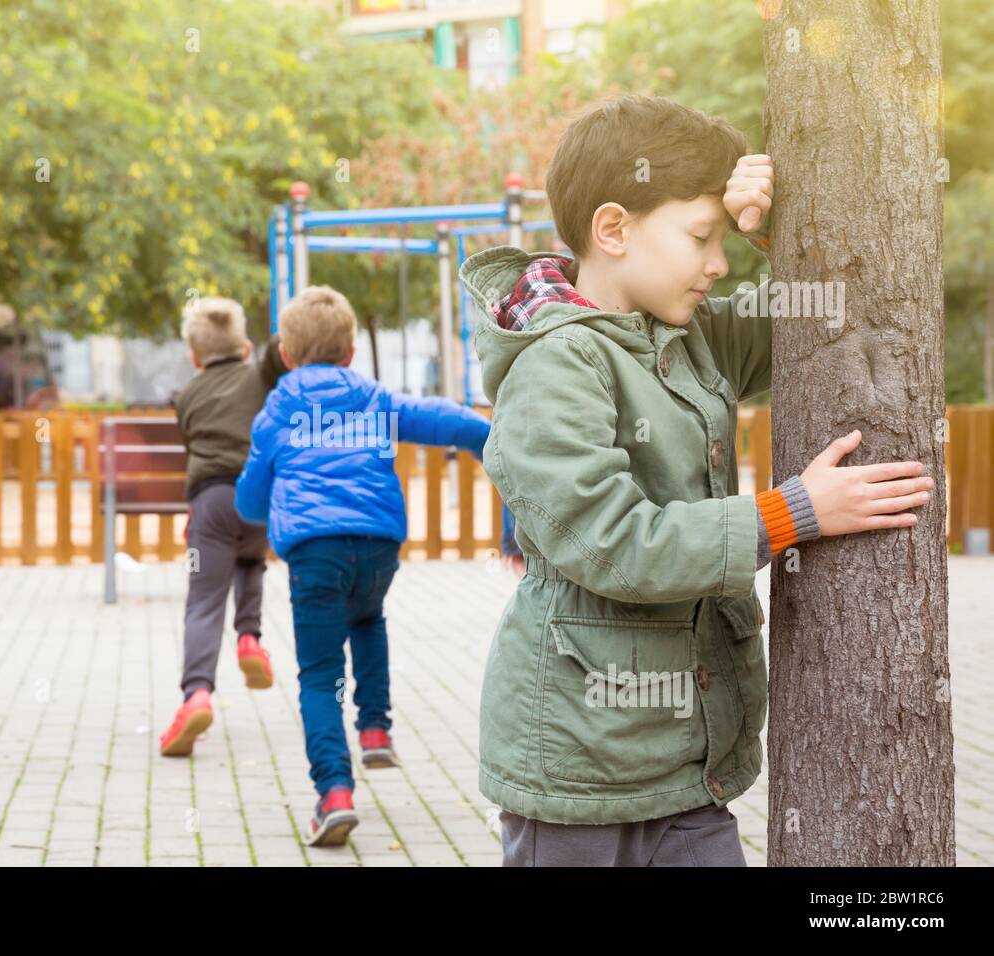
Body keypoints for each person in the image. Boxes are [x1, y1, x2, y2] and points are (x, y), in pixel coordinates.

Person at [459, 95, 934, 866]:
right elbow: (612, 543)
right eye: (701, 237)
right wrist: (792, 515)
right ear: (613, 229)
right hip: (580, 774)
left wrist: (778, 231)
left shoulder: (688, 333)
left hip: (689, 775)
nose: (719, 263)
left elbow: (828, 317)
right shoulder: (556, 363)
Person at [235, 285, 492, 847]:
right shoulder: (374, 399)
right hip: (377, 546)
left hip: (313, 551)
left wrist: (264, 502)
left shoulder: (277, 410)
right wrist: (486, 436)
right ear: (352, 352)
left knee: (319, 674)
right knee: (368, 618)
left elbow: (250, 503)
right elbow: (440, 419)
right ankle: (375, 727)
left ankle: (333, 793)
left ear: (287, 355)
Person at [159, 297, 288, 757]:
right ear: (245, 347)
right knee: (250, 560)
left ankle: (196, 695)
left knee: (203, 601)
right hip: (258, 499)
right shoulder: (261, 376)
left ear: (195, 358)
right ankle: (251, 639)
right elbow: (281, 354)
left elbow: (195, 453)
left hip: (209, 503)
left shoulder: (187, 396)